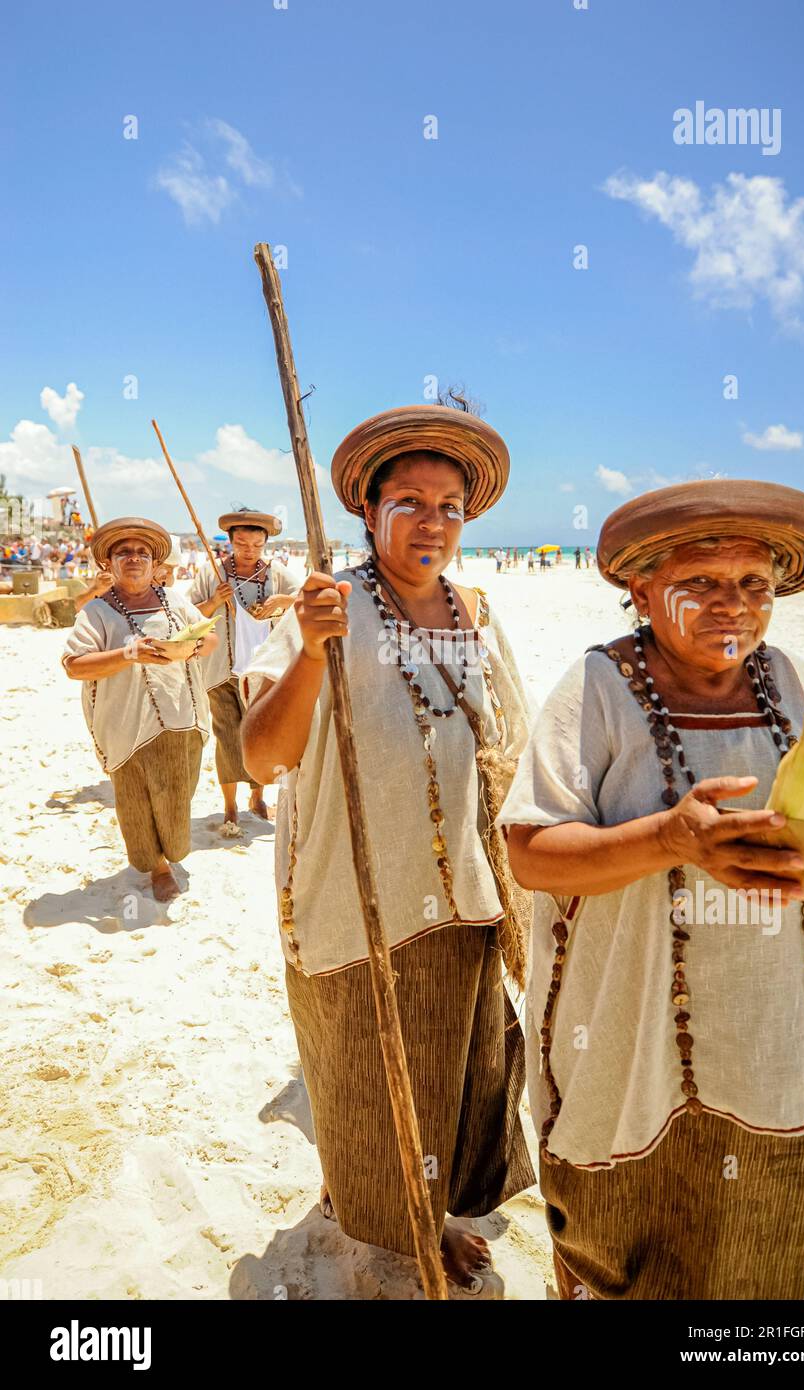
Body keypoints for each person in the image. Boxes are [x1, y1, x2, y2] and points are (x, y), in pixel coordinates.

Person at [499, 479, 804, 1300]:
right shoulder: (597, 688)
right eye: (698, 584)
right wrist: (669, 840)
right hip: (628, 1032)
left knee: (772, 1243)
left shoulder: (798, 684)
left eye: (753, 586)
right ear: (639, 590)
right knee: (630, 1232)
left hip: (778, 1034)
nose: (731, 605)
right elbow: (531, 852)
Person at [241, 404, 536, 1291]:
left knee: (449, 1063)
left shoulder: (478, 616)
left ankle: (428, 1207)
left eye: (447, 506)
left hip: (463, 891)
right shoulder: (324, 608)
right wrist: (311, 653)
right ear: (369, 513)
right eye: (407, 500)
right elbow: (263, 755)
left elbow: (510, 749)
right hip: (351, 888)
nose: (430, 521)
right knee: (363, 1066)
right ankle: (386, 1212)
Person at [62, 517, 216, 902]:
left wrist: (194, 647)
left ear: (155, 564)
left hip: (183, 715)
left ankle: (171, 853)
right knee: (136, 799)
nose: (134, 558)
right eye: (123, 552)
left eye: (142, 553)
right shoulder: (96, 612)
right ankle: (158, 867)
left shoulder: (175, 601)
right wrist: (130, 653)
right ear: (108, 564)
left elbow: (208, 635)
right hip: (127, 724)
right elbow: (74, 665)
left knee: (178, 793)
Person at [189, 509, 302, 827]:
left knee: (258, 736)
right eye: (241, 543)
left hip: (262, 672)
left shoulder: (276, 573)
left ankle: (257, 797)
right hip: (220, 672)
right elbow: (187, 615)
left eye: (255, 544)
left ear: (265, 543)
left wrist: (280, 601)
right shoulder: (212, 573)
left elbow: (308, 600)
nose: (249, 550)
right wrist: (213, 602)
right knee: (227, 737)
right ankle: (230, 806)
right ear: (231, 541)